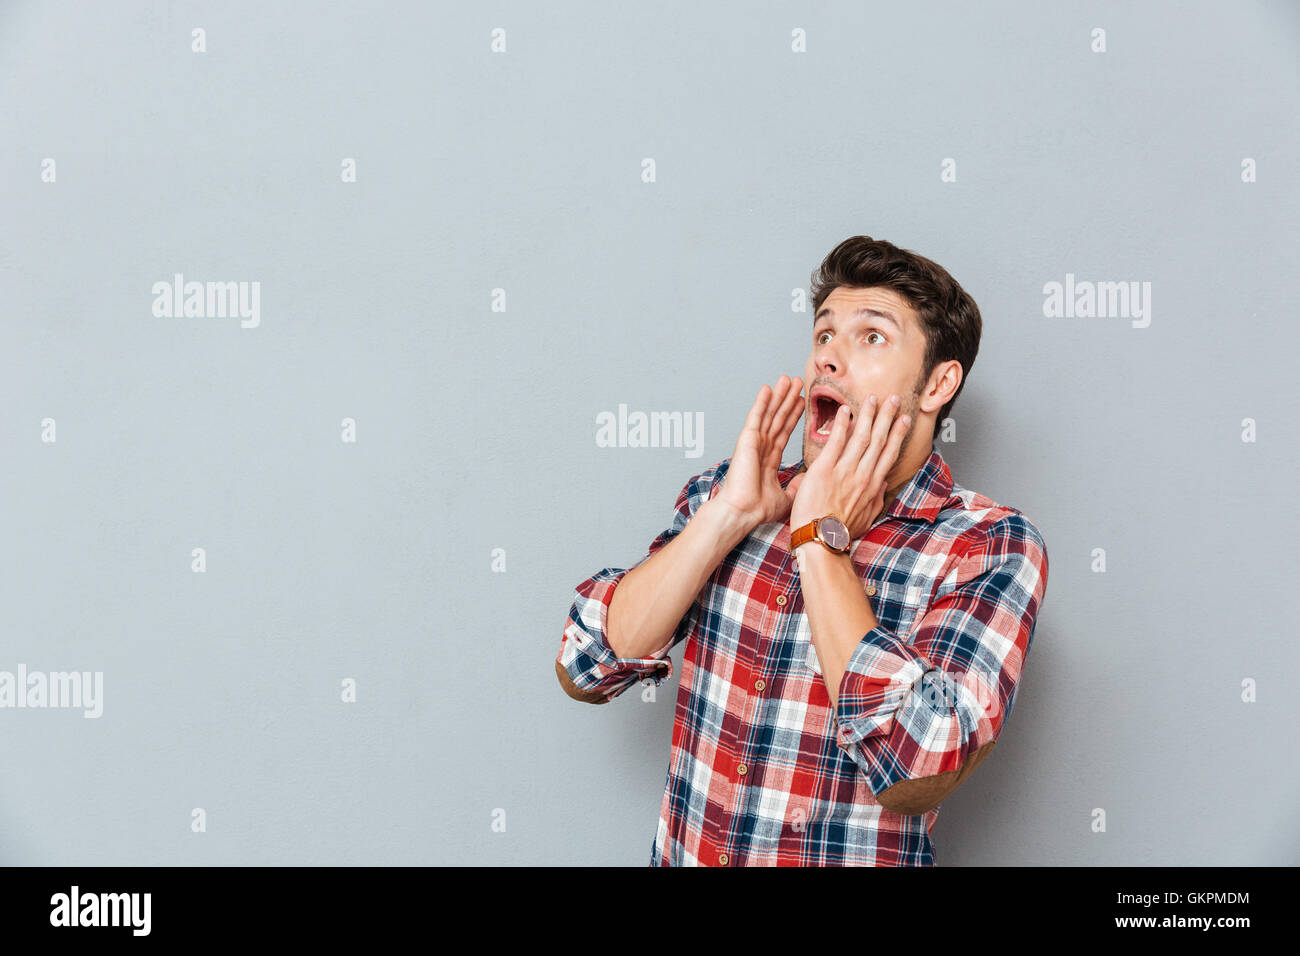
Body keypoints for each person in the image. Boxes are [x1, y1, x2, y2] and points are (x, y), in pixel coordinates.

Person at [555, 235, 1049, 866]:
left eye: (871, 337)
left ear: (938, 384)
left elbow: (918, 765)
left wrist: (821, 537)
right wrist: (728, 517)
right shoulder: (732, 495)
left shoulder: (988, 544)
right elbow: (586, 666)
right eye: (824, 335)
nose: (829, 361)